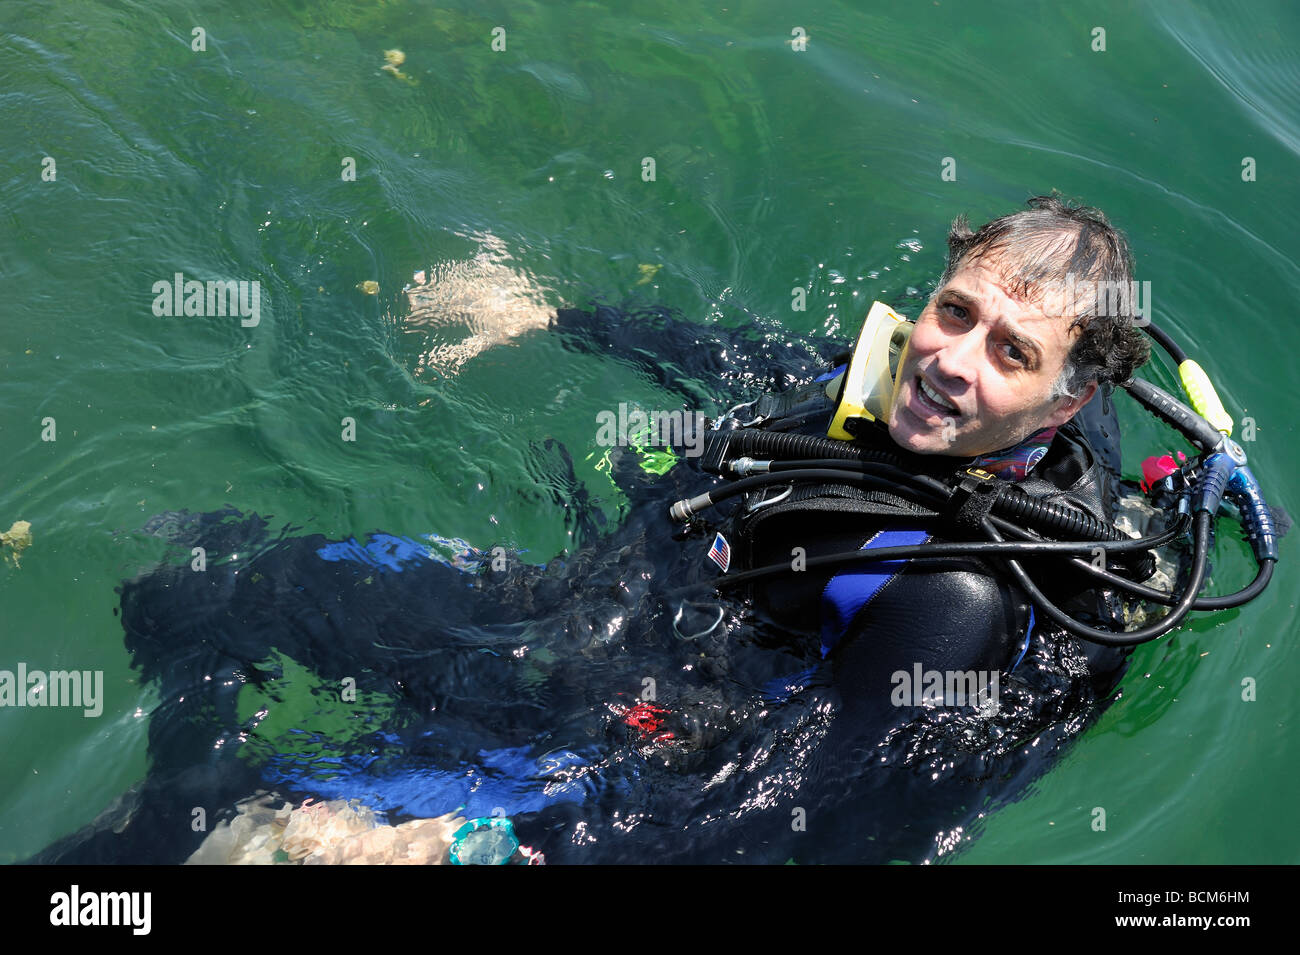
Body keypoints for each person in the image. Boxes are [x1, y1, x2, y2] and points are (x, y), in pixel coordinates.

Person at [36, 196, 1212, 866]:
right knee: (207, 582)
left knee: (250, 842)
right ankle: (198, 765)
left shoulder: (950, 604)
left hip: (628, 748)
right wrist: (544, 314)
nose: (951, 361)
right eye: (954, 313)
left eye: (1010, 351)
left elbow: (789, 822)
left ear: (1067, 404)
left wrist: (466, 844)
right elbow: (743, 359)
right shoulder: (894, 379)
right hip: (577, 614)